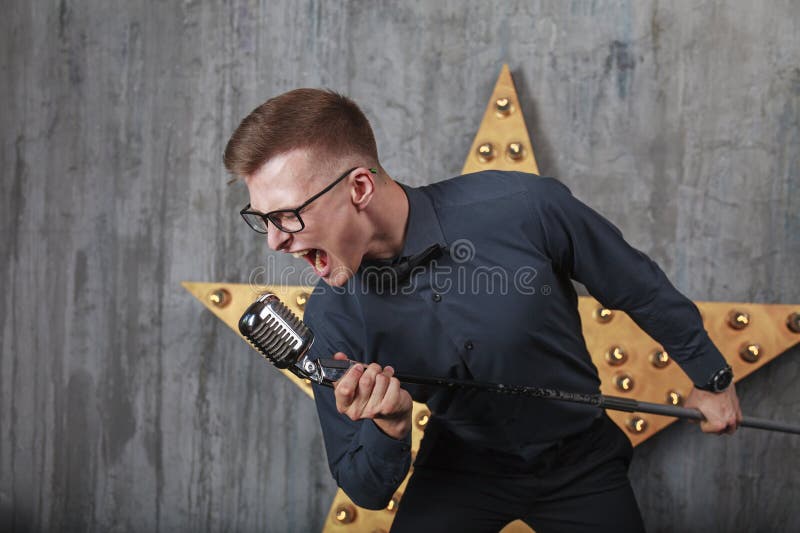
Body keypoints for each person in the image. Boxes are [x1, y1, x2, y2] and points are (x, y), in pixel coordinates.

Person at [224, 88, 742, 532]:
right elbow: (364, 488)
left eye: (288, 216)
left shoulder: (524, 206)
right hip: (460, 466)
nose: (272, 242)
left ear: (359, 187)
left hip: (582, 458)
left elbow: (637, 285)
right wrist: (389, 428)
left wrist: (711, 376)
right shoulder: (330, 320)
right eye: (261, 218)